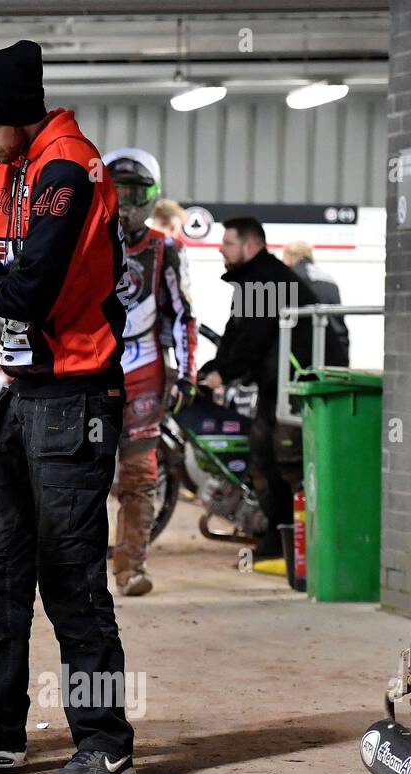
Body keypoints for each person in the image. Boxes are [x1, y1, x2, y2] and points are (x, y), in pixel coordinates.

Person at [0, 40, 137, 774]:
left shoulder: (67, 168)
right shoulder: (8, 172)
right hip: (21, 396)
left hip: (76, 396)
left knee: (71, 578)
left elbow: (18, 289)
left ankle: (105, 738)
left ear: (23, 116)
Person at [200, 218, 342, 558]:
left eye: (228, 243)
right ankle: (279, 537)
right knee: (263, 455)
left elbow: (254, 337)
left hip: (297, 382)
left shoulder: (266, 280)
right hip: (278, 382)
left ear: (251, 246)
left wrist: (223, 372)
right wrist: (215, 368)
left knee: (282, 458)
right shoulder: (255, 279)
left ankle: (296, 542)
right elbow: (237, 331)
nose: (221, 248)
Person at [103, 148, 198, 596]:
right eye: (116, 191)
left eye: (133, 193)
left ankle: (129, 567)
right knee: (79, 474)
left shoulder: (166, 251)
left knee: (139, 475)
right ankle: (79, 575)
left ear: (150, 195)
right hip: (90, 370)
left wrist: (185, 372)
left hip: (143, 369)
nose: (124, 203)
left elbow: (184, 316)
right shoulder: (78, 243)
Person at [282, 239, 350, 362]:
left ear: (288, 259)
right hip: (335, 350)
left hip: (302, 355)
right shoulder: (329, 279)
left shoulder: (289, 277)